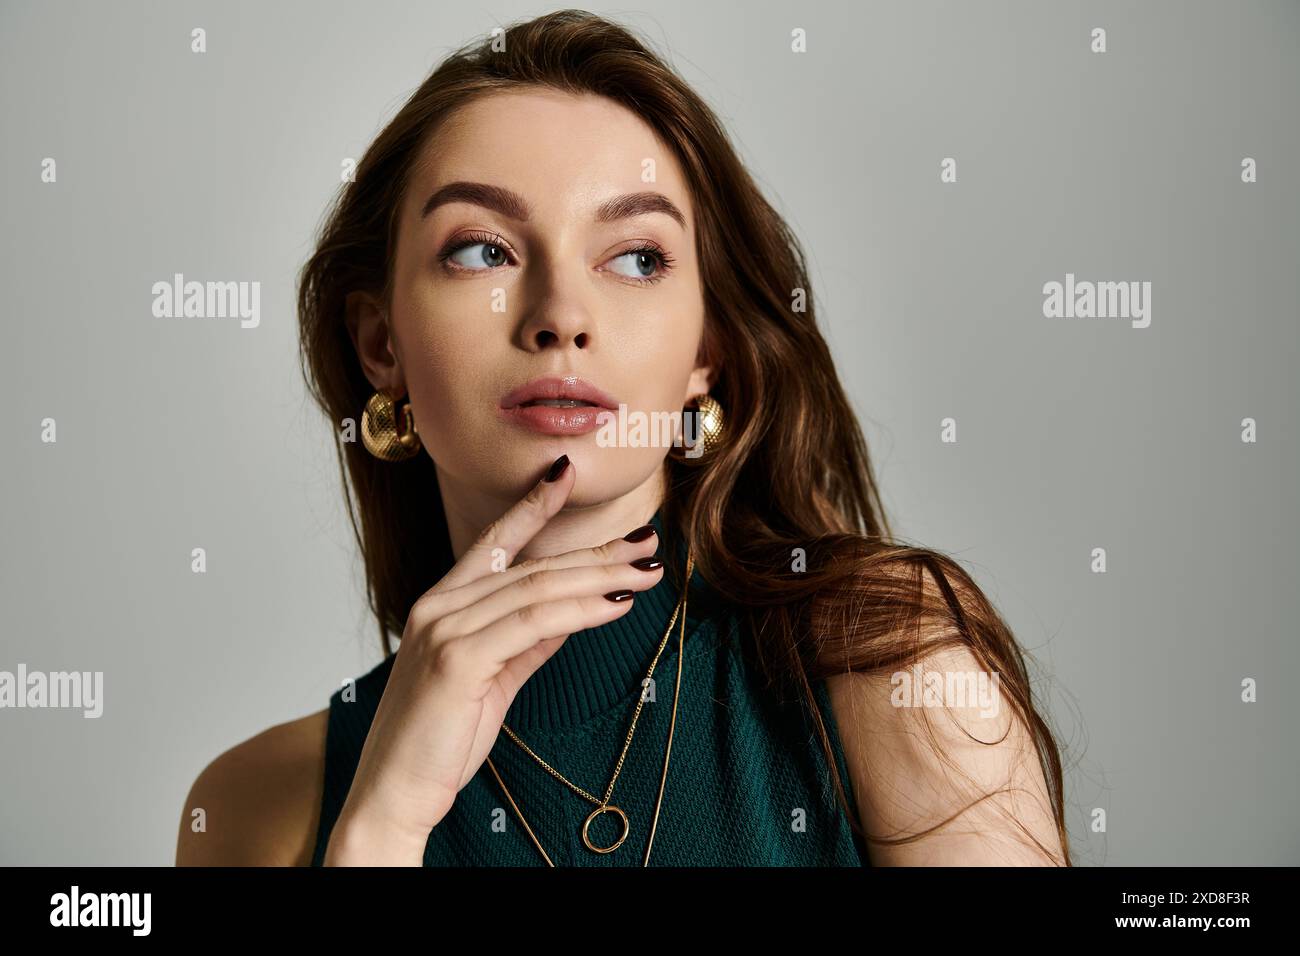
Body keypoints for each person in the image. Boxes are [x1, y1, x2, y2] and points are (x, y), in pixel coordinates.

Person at [176, 9, 1070, 867]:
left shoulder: (886, 660)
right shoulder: (262, 806)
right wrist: (381, 830)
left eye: (637, 258)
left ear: (705, 354)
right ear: (381, 343)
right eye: (483, 251)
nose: (561, 316)